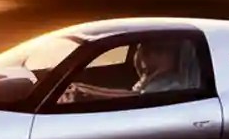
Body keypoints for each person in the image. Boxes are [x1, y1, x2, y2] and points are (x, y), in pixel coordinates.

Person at [60, 39, 195, 103]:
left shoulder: (173, 85)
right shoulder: (154, 79)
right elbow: (134, 94)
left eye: (158, 51)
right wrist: (83, 88)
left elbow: (137, 98)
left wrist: (89, 93)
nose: (144, 57)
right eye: (142, 50)